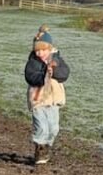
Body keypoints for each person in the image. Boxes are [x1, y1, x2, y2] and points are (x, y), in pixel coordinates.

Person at [24, 27, 70, 167]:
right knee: (42, 127)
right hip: (38, 100)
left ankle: (47, 146)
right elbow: (30, 76)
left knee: (54, 128)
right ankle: (40, 149)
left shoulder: (57, 60)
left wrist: (54, 71)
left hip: (54, 100)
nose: (40, 53)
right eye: (37, 50)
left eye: (43, 50)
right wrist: (43, 75)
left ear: (50, 48)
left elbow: (65, 74)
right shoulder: (33, 62)